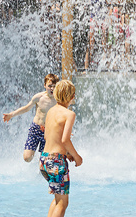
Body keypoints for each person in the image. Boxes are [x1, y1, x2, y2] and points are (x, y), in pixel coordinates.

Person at [39, 79, 82, 217]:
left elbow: (47, 136)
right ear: (72, 97)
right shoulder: (69, 114)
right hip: (57, 162)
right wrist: (76, 156)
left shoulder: (51, 111)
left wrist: (66, 153)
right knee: (63, 203)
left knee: (58, 199)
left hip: (44, 160)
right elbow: (65, 139)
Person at [3, 73, 59, 162]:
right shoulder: (39, 97)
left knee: (45, 159)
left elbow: (61, 116)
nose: (52, 88)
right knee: (27, 158)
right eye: (50, 86)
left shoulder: (58, 100)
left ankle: (41, 168)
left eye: (54, 86)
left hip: (48, 132)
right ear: (44, 85)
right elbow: (26, 108)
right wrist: (11, 114)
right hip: (35, 129)